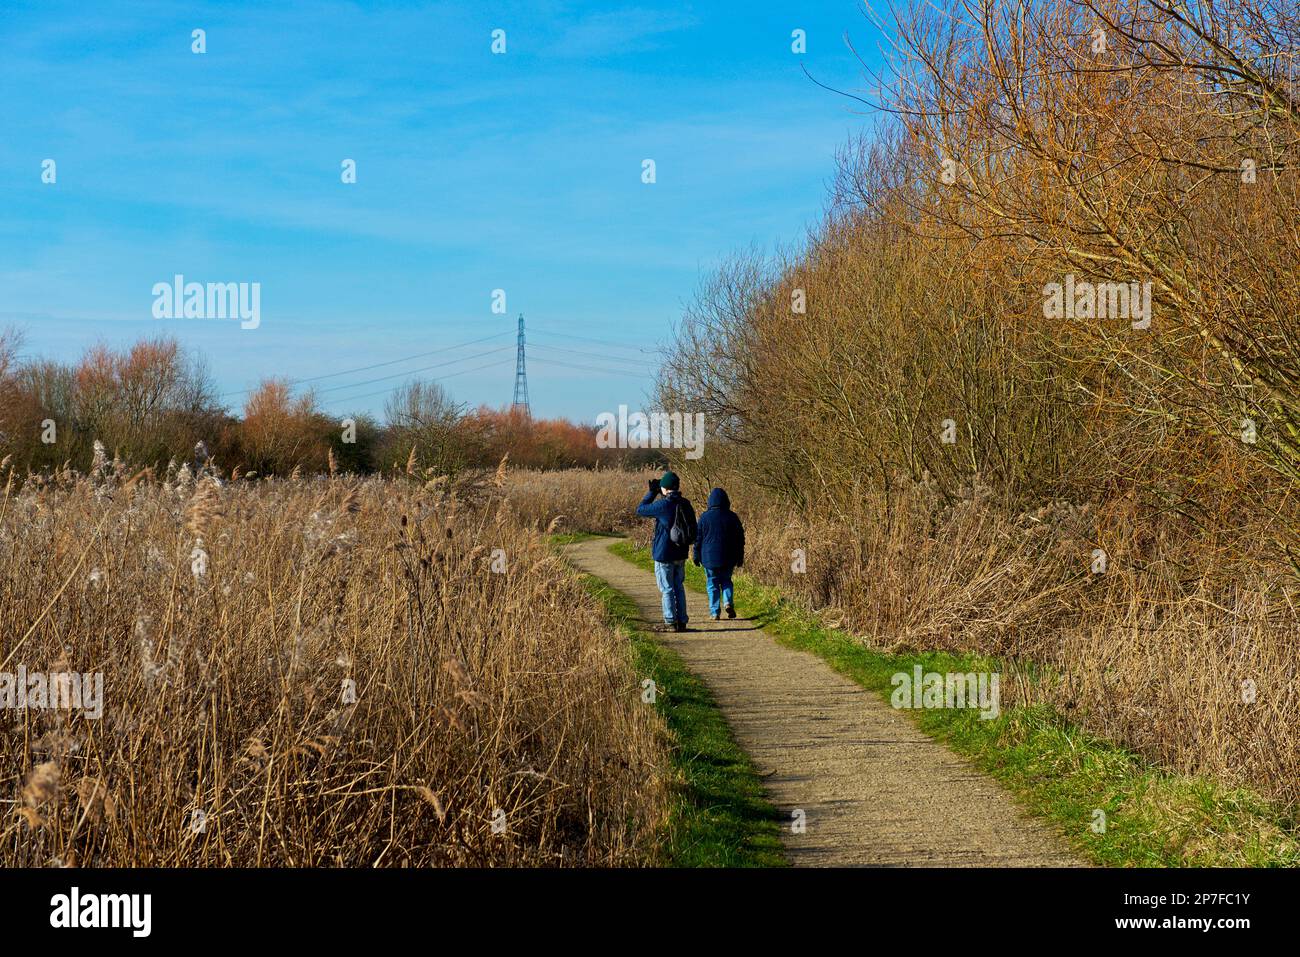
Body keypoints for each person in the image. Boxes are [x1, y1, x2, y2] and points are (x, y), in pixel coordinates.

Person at [635, 471, 695, 632]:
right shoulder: (686, 504)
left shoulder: (662, 506)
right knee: (678, 587)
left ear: (665, 488)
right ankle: (682, 621)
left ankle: (670, 621)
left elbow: (640, 509)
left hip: (664, 554)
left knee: (667, 588)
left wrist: (652, 492)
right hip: (681, 552)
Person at [692, 487, 744, 620]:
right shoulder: (732, 517)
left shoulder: (704, 517)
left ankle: (715, 612)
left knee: (712, 584)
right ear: (726, 501)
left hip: (709, 558)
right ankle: (727, 603)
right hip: (729, 557)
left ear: (710, 502)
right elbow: (740, 539)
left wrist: (696, 556)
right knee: (726, 581)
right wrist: (739, 557)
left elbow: (698, 539)